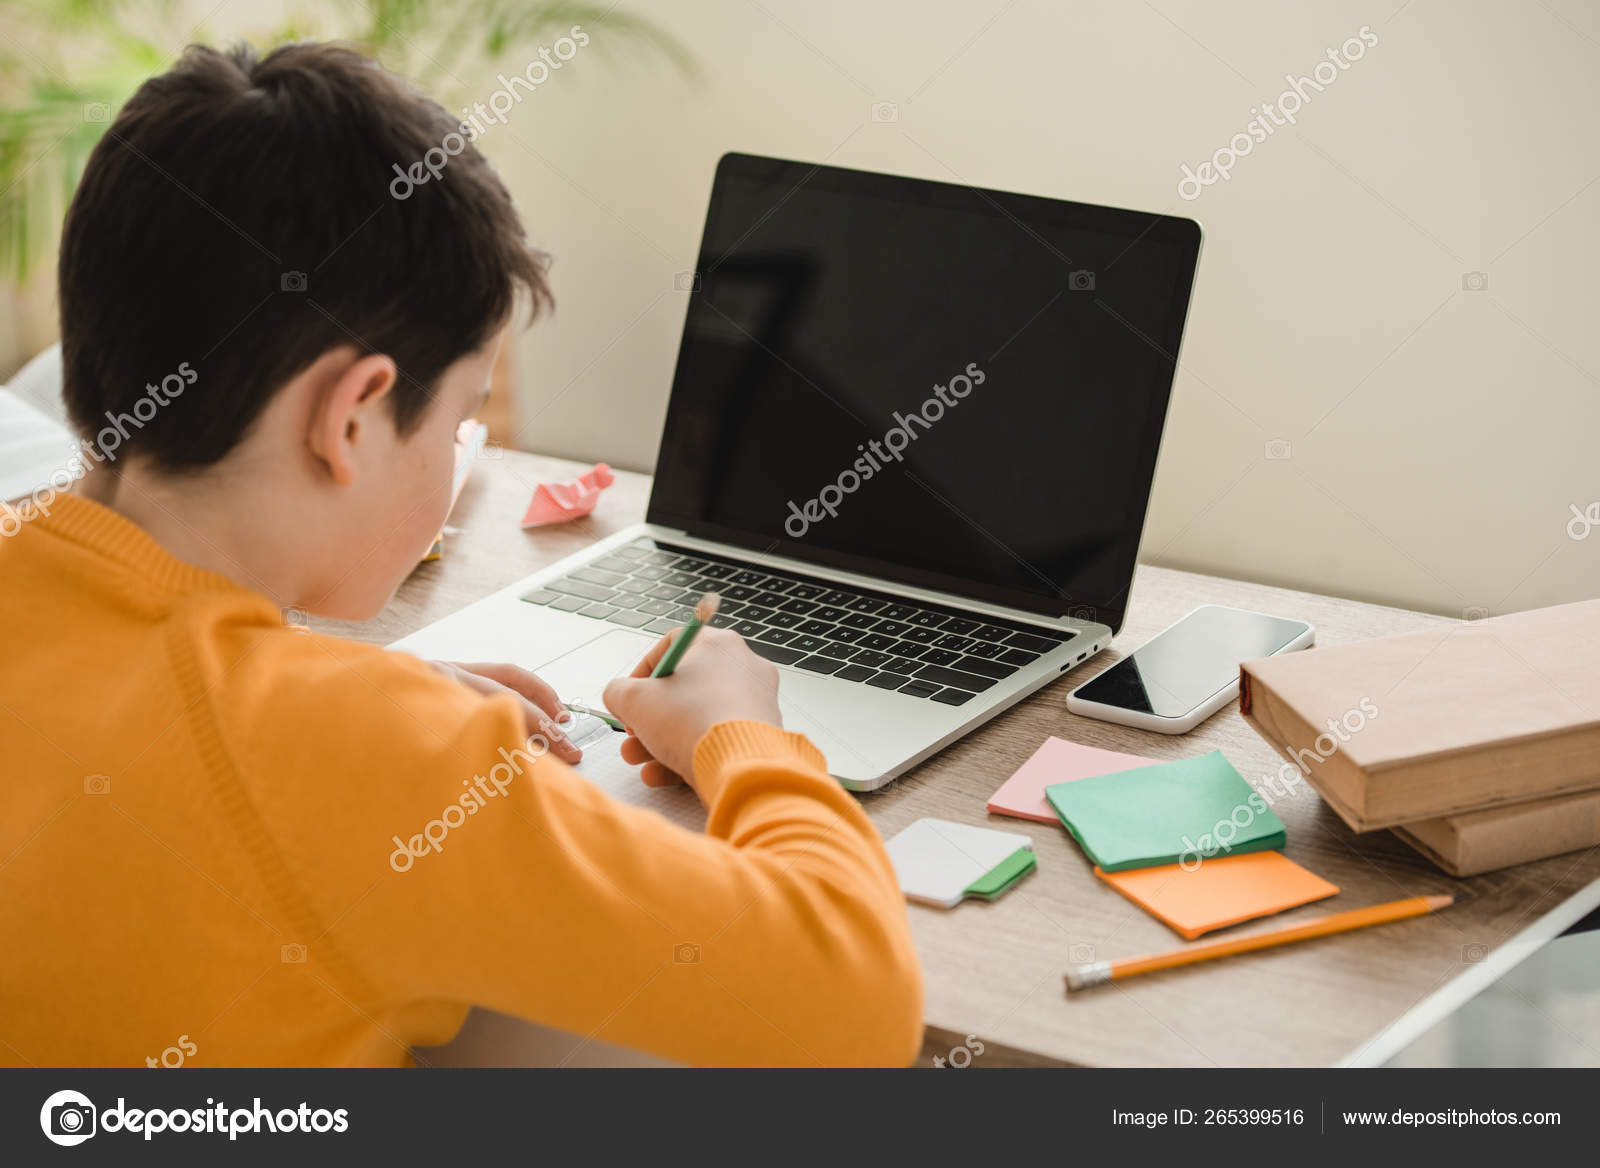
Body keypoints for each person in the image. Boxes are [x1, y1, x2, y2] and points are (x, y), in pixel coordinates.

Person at [0, 41, 921, 1067]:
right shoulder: (368, 755)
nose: (458, 450)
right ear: (350, 417)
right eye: (459, 420)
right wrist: (742, 735)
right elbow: (857, 1008)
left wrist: (328, 685)